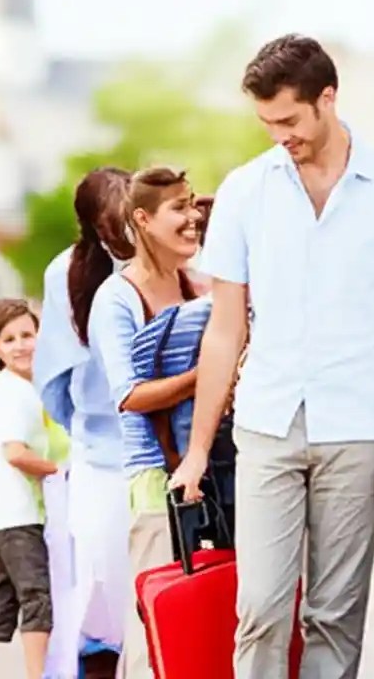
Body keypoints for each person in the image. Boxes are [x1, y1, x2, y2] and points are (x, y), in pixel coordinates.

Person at [169, 33, 374, 679]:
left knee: (334, 616)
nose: (278, 136)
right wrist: (200, 449)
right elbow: (224, 330)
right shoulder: (243, 192)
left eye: (289, 120)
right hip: (267, 423)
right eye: (267, 124)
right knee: (261, 607)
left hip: (358, 428)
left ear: (327, 98)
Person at [88, 166, 205, 678]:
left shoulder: (193, 286)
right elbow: (129, 396)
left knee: (198, 618)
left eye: (194, 204)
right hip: (155, 477)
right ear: (142, 219)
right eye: (179, 208)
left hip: (208, 472)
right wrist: (209, 375)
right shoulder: (117, 298)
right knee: (155, 619)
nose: (193, 216)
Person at [33, 167, 138, 672]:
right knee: (130, 597)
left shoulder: (63, 270)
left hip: (108, 454)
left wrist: (84, 424)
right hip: (126, 453)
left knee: (100, 603)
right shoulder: (145, 265)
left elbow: (53, 381)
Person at [0, 298, 58, 679]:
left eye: (28, 334)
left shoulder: (22, 387)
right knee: (38, 599)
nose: (22, 345)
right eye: (9, 339)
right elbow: (15, 453)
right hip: (18, 517)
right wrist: (60, 471)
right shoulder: (11, 392)